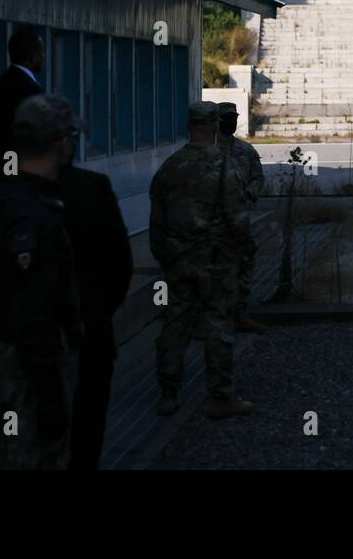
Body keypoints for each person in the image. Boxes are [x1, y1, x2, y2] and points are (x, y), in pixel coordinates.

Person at [0, 95, 83, 470]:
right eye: (71, 136)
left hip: (20, 363)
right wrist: (49, 395)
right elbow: (32, 309)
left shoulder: (5, 196)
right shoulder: (31, 214)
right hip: (29, 372)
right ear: (60, 143)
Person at [151, 102, 253, 419]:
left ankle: (169, 393)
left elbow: (157, 223)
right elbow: (238, 220)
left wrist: (167, 257)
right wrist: (241, 253)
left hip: (178, 260)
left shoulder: (170, 166)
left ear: (189, 125)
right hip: (215, 260)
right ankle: (220, 396)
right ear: (215, 125)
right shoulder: (224, 166)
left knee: (175, 323)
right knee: (218, 325)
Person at [54, 144, 133, 470]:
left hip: (17, 337)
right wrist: (99, 310)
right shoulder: (91, 188)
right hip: (88, 325)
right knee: (87, 418)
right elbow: (119, 263)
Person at [217, 102, 269, 334]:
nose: (231, 122)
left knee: (244, 264)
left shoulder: (245, 150)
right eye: (226, 118)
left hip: (239, 219)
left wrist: (251, 192)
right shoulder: (208, 150)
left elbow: (258, 177)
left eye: (233, 117)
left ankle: (239, 314)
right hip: (211, 222)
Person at [0, 28, 45, 169]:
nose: (44, 56)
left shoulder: (2, 83)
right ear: (32, 56)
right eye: (41, 51)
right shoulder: (30, 89)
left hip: (7, 163)